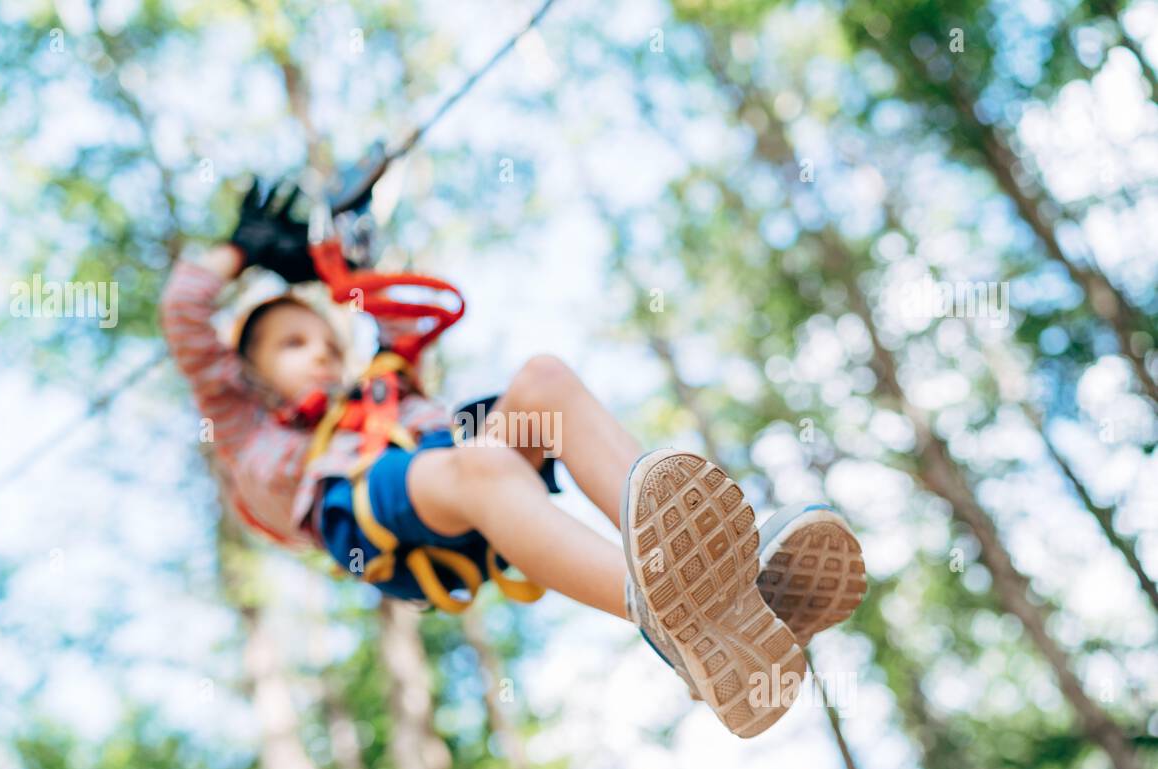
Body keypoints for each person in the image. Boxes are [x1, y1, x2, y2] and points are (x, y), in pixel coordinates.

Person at [159, 177, 866, 737]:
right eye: (289, 344)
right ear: (248, 374)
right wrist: (241, 251)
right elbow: (185, 315)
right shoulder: (249, 426)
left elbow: (398, 313)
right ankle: (669, 613)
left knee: (544, 382)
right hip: (377, 515)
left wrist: (351, 252)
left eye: (322, 337)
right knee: (484, 465)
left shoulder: (383, 390)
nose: (317, 350)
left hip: (454, 480)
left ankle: (727, 595)